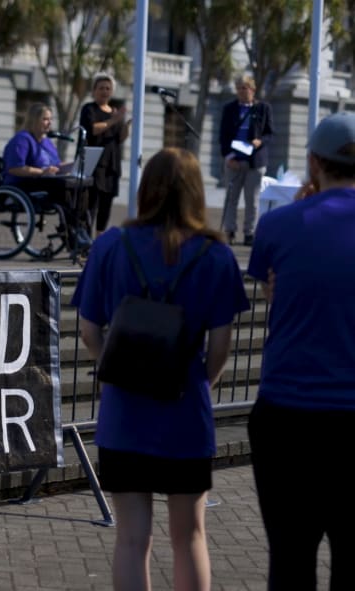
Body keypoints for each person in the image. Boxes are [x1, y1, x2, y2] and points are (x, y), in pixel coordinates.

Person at [72, 148, 249, 591]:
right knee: (190, 535)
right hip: (186, 413)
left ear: (145, 189)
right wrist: (197, 382)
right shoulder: (215, 255)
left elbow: (89, 331)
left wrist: (122, 367)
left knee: (131, 540)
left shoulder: (111, 245)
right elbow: (223, 344)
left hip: (125, 414)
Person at [246, 111, 355, 590]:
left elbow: (277, 284)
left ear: (313, 163)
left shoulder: (278, 225)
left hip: (287, 415)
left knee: (290, 560)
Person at [1, 102, 91, 247]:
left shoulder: (47, 142)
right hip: (24, 184)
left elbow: (56, 168)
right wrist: (42, 172)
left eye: (50, 119)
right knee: (64, 187)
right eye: (45, 119)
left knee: (80, 186)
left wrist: (75, 164)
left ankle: (80, 229)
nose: (49, 123)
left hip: (46, 182)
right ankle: (70, 233)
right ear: (33, 120)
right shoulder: (22, 140)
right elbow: (14, 168)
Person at [218, 75, 273, 246]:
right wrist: (228, 157)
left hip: (255, 162)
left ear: (253, 89)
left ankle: (249, 233)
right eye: (239, 88)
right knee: (231, 198)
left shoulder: (263, 108)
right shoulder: (229, 109)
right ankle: (230, 231)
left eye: (245, 87)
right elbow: (223, 135)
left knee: (252, 199)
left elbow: (270, 133)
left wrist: (260, 141)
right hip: (234, 160)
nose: (242, 91)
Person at [80, 73, 130, 237]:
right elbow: (94, 129)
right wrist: (114, 120)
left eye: (108, 88)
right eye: (101, 88)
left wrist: (126, 125)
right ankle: (85, 241)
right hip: (94, 164)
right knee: (91, 205)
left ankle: (99, 240)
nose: (104, 91)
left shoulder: (114, 113)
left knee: (106, 207)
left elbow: (120, 138)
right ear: (94, 90)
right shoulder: (89, 109)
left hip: (111, 165)